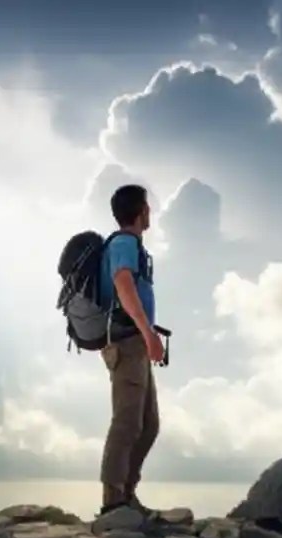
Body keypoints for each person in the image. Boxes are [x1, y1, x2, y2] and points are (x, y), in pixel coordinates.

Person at [98, 184, 165, 516]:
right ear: (141, 212)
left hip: (135, 342)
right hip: (127, 342)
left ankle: (126, 492)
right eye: (147, 207)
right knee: (127, 422)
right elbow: (123, 283)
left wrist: (148, 335)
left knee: (148, 424)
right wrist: (148, 333)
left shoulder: (131, 245)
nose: (150, 213)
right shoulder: (124, 243)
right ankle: (113, 502)